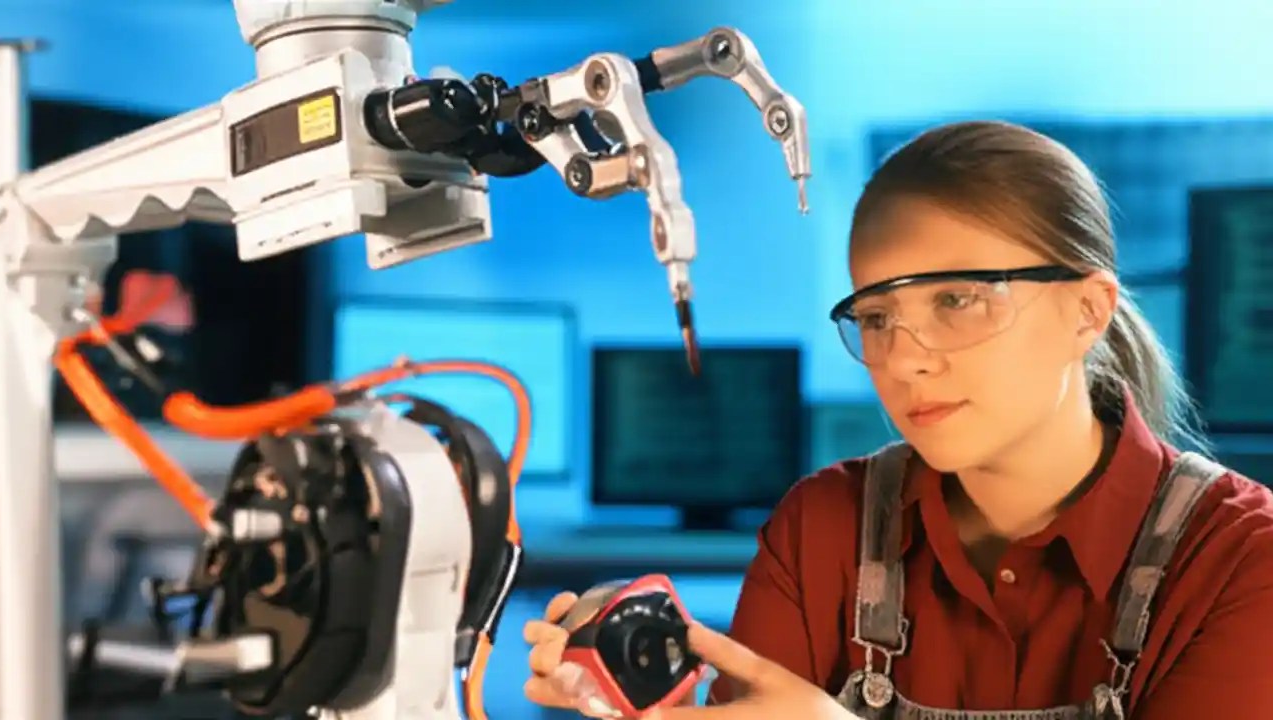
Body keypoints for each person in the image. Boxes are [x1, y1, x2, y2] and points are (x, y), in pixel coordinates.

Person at [522, 120, 1273, 719]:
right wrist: (662, 705)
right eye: (877, 316)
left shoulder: (1241, 559)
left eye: (957, 300)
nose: (905, 360)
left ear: (1088, 311)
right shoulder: (820, 530)